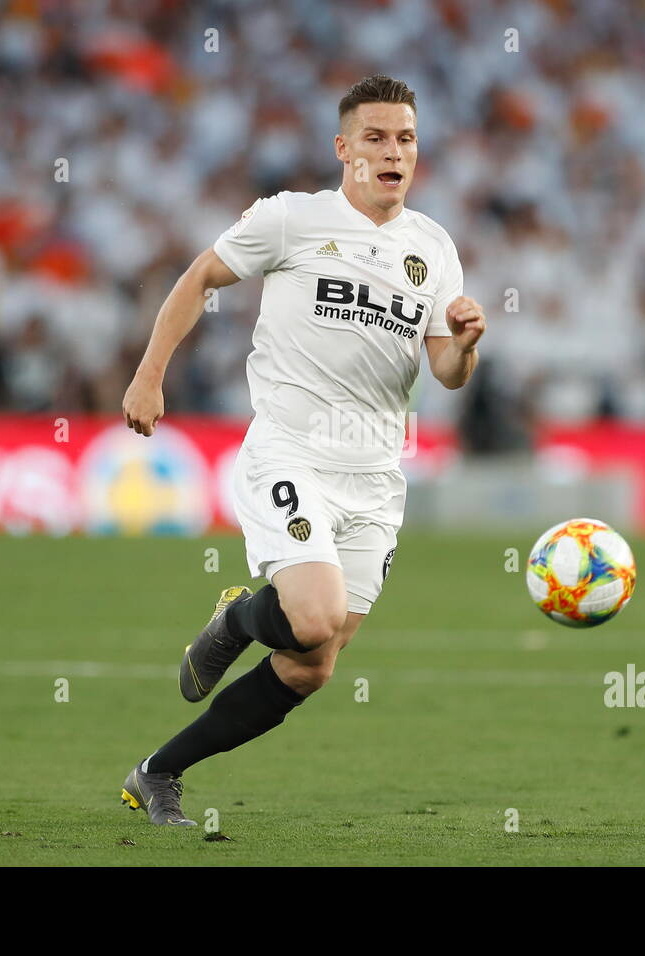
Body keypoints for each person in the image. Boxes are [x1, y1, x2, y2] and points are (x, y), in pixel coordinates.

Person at [118, 75, 486, 825]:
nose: (394, 152)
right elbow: (200, 278)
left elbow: (444, 371)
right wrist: (150, 375)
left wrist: (468, 346)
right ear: (343, 148)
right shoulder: (291, 219)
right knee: (312, 617)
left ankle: (157, 772)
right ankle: (237, 620)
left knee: (314, 663)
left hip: (377, 475)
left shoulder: (432, 247)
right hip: (291, 451)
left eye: (406, 138)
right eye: (377, 138)